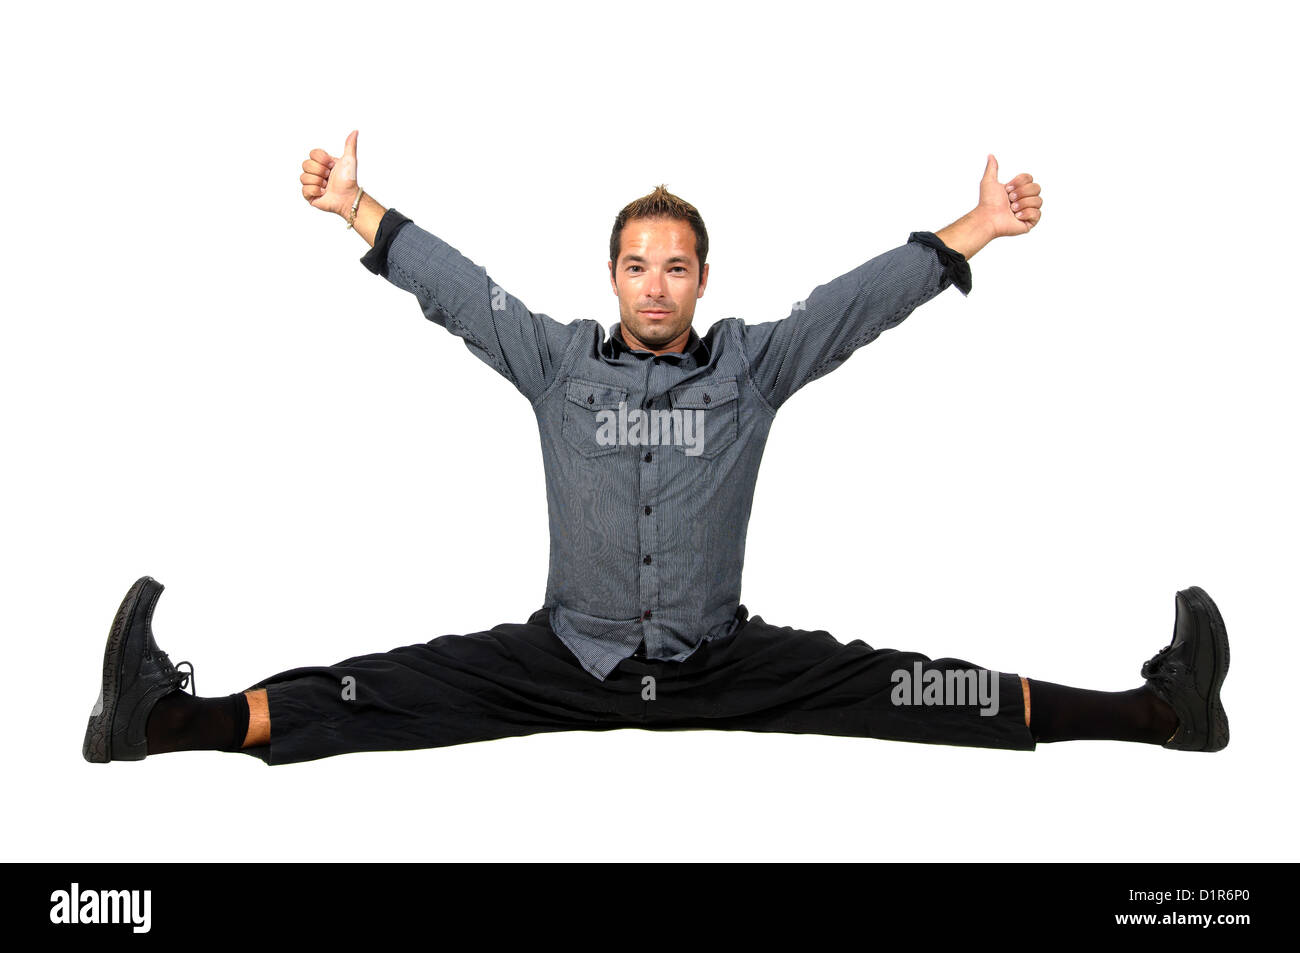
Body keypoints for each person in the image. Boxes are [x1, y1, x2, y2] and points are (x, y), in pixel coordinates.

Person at [82, 131, 1229, 766]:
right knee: (383, 685)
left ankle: (1159, 714)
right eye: (636, 263)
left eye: (675, 265)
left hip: (719, 659)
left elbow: (852, 304)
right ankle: (168, 720)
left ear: (702, 280)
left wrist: (973, 229)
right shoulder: (556, 364)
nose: (655, 284)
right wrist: (358, 206)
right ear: (613, 275)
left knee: (917, 685)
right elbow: (458, 291)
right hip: (563, 655)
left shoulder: (750, 367)